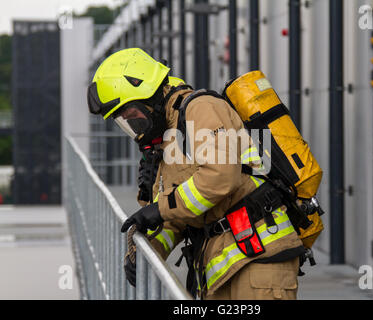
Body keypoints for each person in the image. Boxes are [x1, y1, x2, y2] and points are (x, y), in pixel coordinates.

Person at [87, 48, 306, 300]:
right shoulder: (169, 135)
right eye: (123, 121)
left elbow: (220, 177)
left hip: (260, 262)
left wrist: (159, 209)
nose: (134, 128)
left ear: (147, 96)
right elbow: (179, 211)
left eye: (132, 115)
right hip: (224, 264)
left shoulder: (202, 109)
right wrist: (150, 250)